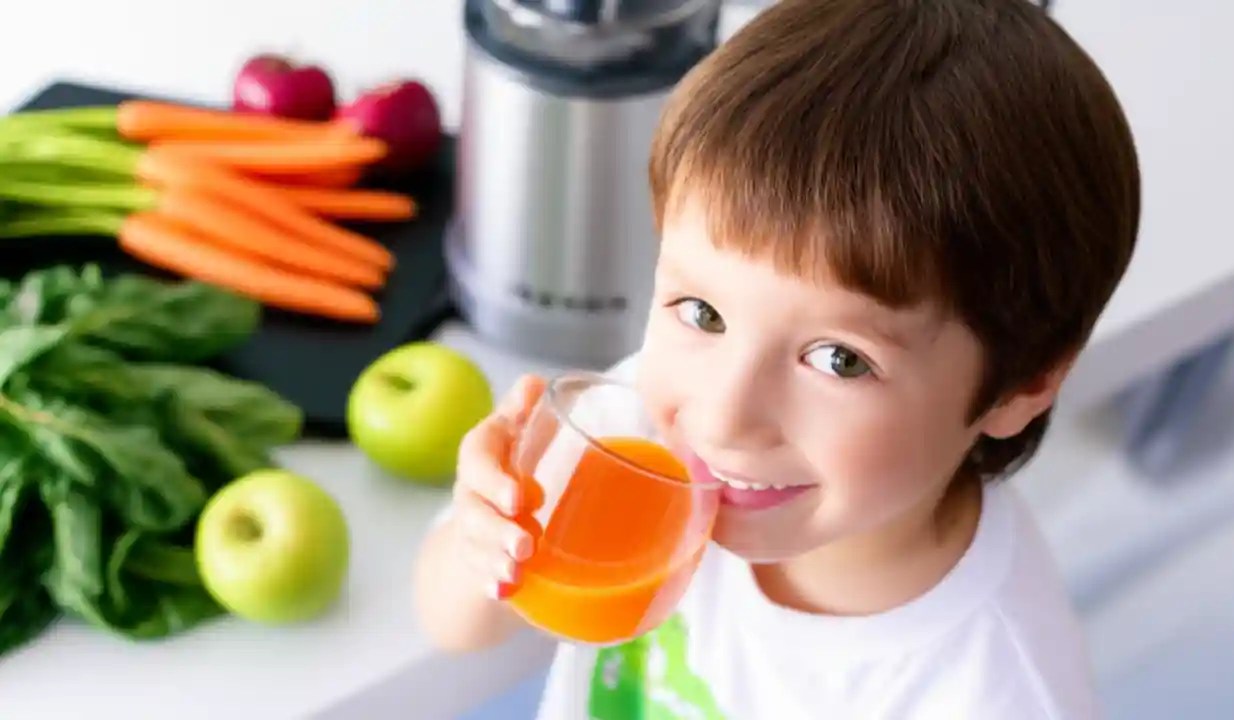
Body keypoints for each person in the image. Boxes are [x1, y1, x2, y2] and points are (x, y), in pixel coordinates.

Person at [415, 0, 1141, 716]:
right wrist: (481, 544)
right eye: (703, 314)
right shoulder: (639, 425)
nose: (725, 417)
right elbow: (455, 626)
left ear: (1026, 381)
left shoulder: (994, 690)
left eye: (840, 361)